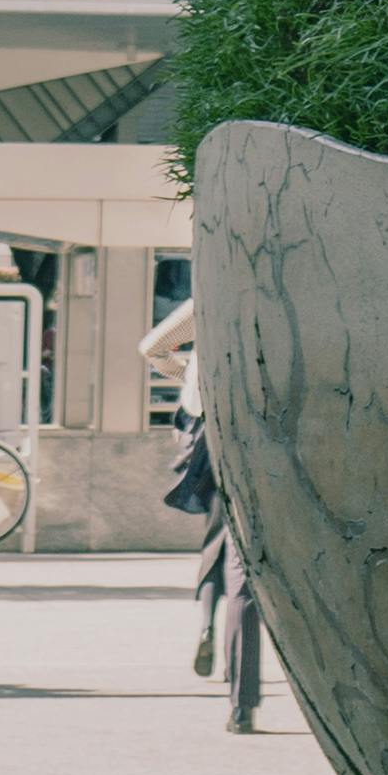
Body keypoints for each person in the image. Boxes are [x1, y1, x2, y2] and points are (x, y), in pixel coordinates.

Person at [146, 289, 262, 730]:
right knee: (242, 567)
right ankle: (243, 699)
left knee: (218, 540)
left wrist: (188, 372)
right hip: (257, 437)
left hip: (207, 442)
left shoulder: (210, 297)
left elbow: (152, 348)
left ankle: (210, 632)